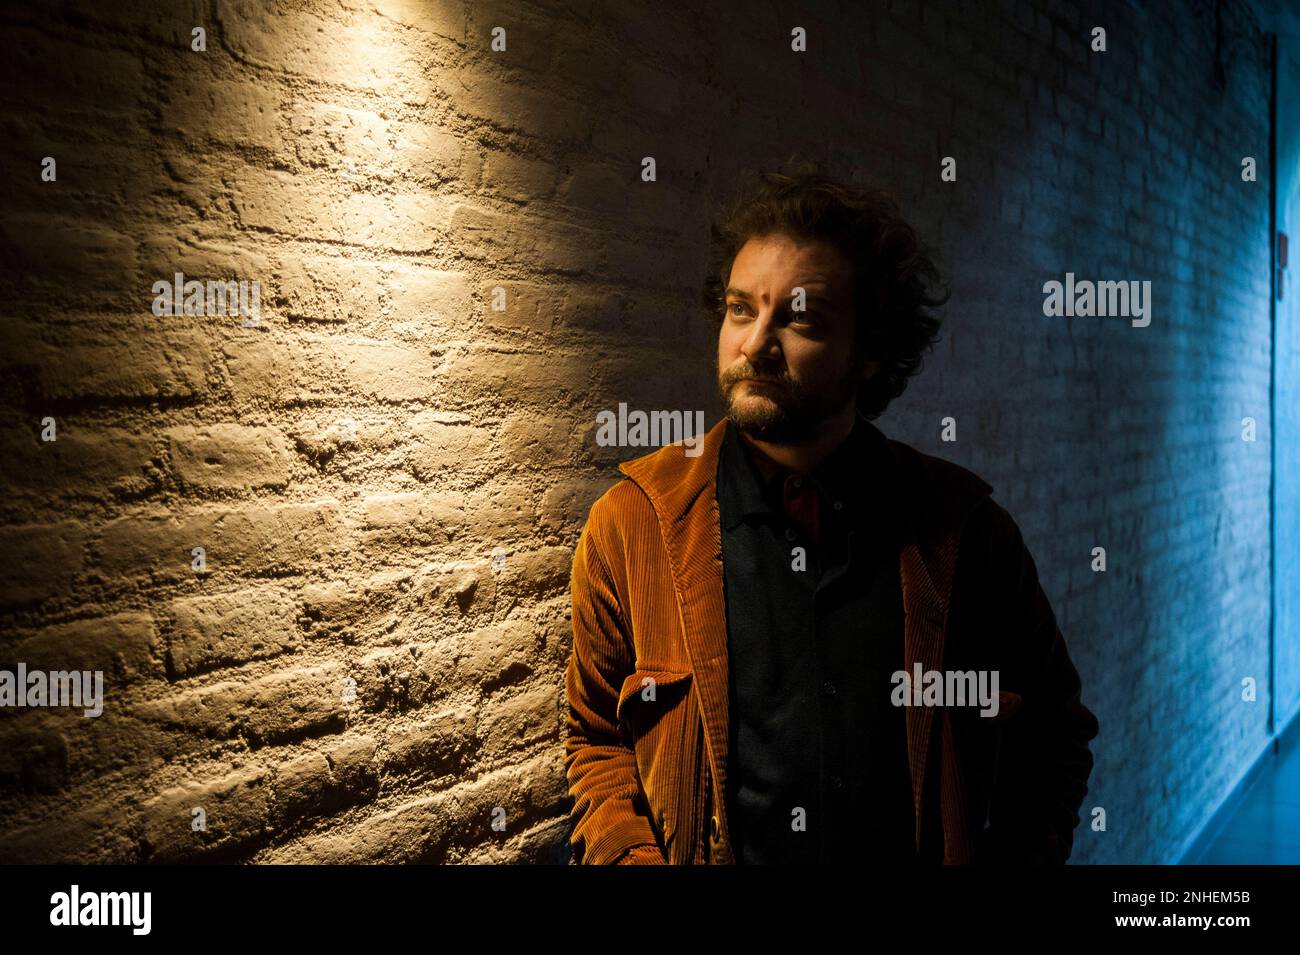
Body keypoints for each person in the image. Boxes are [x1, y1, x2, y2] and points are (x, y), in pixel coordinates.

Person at [564, 164, 1100, 865]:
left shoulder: (966, 532)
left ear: (870, 352)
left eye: (801, 317)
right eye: (739, 309)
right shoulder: (633, 523)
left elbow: (1055, 732)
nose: (756, 343)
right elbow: (596, 738)